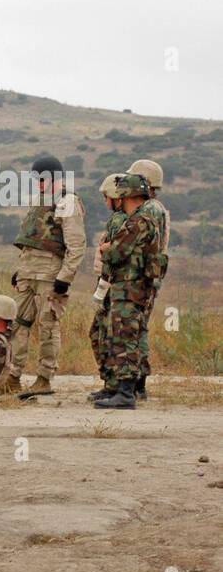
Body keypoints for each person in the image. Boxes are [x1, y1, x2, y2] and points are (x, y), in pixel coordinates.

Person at [6, 155, 86, 394]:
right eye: (36, 179)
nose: (39, 183)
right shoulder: (39, 202)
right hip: (28, 273)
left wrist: (65, 277)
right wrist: (19, 271)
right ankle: (12, 376)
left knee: (48, 325)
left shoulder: (67, 202)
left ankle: (44, 378)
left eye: (43, 179)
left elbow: (76, 245)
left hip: (50, 275)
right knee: (18, 325)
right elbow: (32, 240)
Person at [94, 173, 162, 409]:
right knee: (126, 337)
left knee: (124, 339)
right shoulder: (146, 221)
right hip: (134, 289)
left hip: (129, 289)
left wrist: (105, 248)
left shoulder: (137, 222)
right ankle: (125, 390)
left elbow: (116, 253)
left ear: (125, 196)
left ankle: (125, 393)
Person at [127, 159, 170, 400]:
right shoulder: (154, 207)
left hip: (143, 277)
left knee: (137, 328)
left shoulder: (150, 209)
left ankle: (137, 382)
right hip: (148, 275)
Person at [87, 174, 126, 401]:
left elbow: (113, 256)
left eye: (106, 197)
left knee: (104, 334)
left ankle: (113, 384)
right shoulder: (122, 219)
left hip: (111, 284)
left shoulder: (118, 221)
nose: (105, 202)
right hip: (111, 284)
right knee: (102, 333)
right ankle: (111, 384)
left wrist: (103, 286)